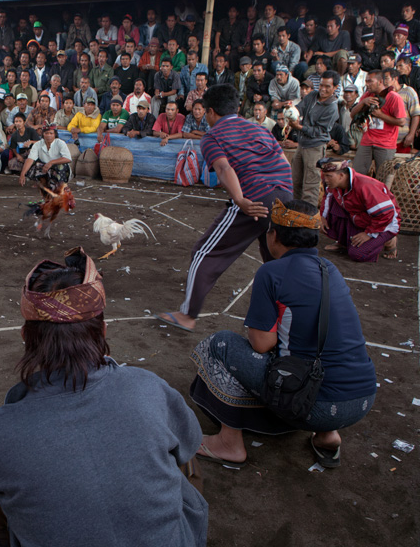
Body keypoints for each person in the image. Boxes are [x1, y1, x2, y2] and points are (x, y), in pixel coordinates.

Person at [0, 246, 207, 547]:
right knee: (176, 456)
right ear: (102, 330)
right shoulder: (148, 388)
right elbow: (190, 440)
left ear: (26, 336)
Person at [189, 199, 376, 469]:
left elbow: (262, 344)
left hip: (315, 405)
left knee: (220, 344)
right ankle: (328, 436)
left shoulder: (272, 272)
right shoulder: (330, 270)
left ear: (274, 235)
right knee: (322, 352)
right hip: (363, 399)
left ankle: (229, 443)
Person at [153, 84, 293, 333]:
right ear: (236, 107)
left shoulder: (212, 136)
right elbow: (284, 162)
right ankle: (288, 315)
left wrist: (240, 200)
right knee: (275, 259)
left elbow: (224, 168)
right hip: (284, 197)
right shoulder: (260, 129)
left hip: (255, 199)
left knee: (204, 253)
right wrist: (282, 199)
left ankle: (187, 315)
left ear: (210, 112)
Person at [320, 159, 400, 261]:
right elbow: (327, 197)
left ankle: (388, 240)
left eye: (329, 176)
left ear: (341, 176)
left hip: (385, 224)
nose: (325, 179)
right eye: (324, 175)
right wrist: (323, 217)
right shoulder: (334, 185)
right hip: (359, 217)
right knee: (333, 203)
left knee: (357, 254)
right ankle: (343, 242)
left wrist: (369, 233)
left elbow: (386, 214)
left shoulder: (366, 186)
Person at [289, 71, 340, 204]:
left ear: (335, 87)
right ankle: (294, 212)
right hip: (302, 144)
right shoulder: (312, 95)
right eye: (321, 85)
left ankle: (307, 217)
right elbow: (300, 107)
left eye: (327, 86)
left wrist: (299, 127)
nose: (323, 89)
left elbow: (319, 131)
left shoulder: (332, 107)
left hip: (315, 147)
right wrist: (292, 111)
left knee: (310, 185)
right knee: (295, 181)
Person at [350, 70, 407, 175]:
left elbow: (402, 121)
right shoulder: (368, 95)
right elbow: (352, 114)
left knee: (383, 175)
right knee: (357, 173)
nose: (367, 84)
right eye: (366, 81)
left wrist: (381, 115)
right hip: (367, 140)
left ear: (380, 81)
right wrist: (363, 102)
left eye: (370, 81)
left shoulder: (394, 97)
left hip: (385, 143)